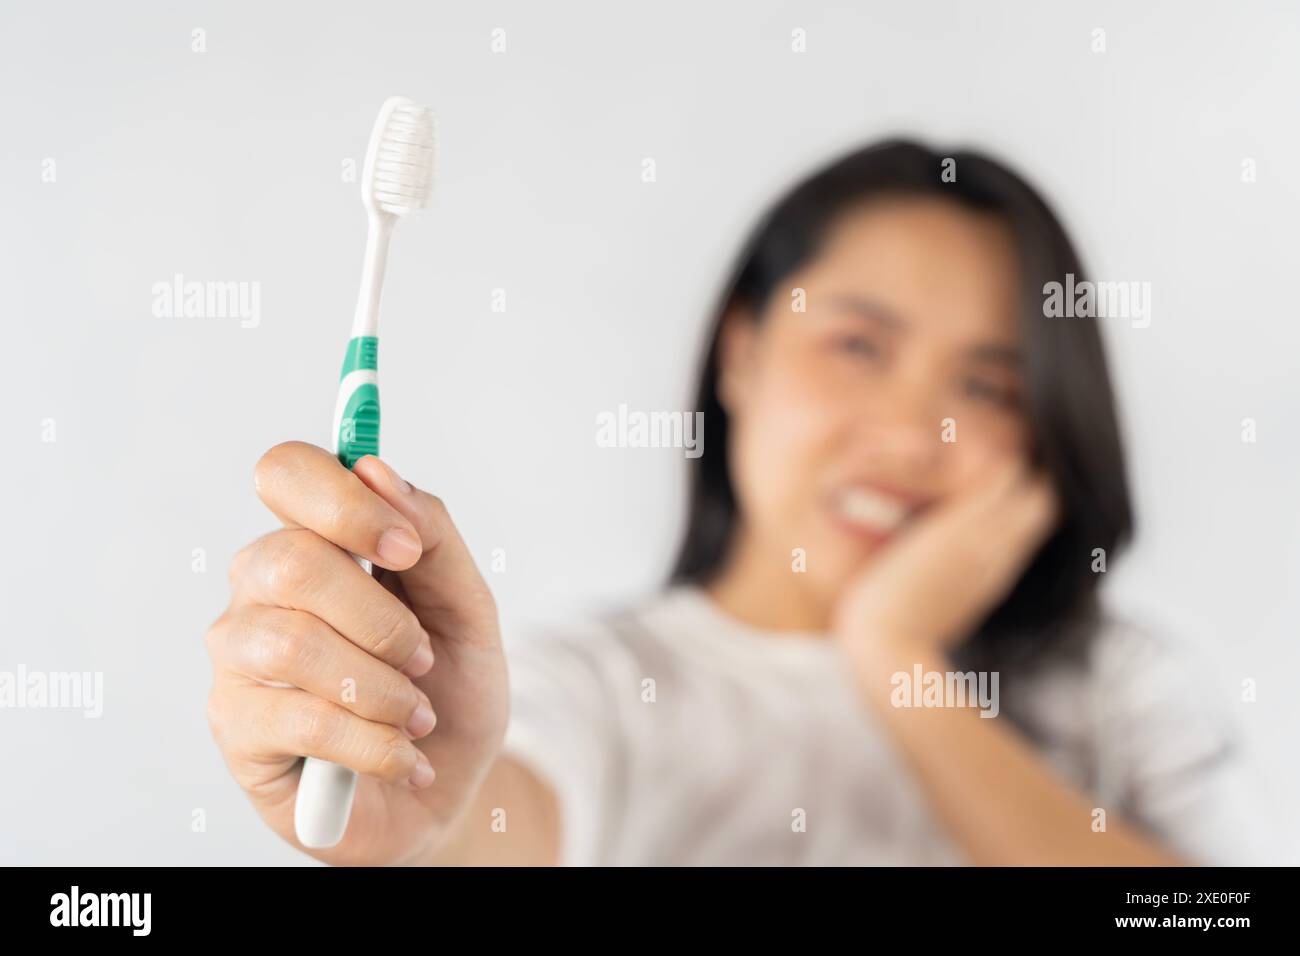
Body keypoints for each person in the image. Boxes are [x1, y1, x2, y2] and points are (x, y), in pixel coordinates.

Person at [204, 140, 1268, 866]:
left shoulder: (1124, 694)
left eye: (986, 384)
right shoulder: (605, 688)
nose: (910, 433)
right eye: (858, 345)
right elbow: (502, 815)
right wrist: (429, 831)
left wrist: (896, 656)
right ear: (742, 352)